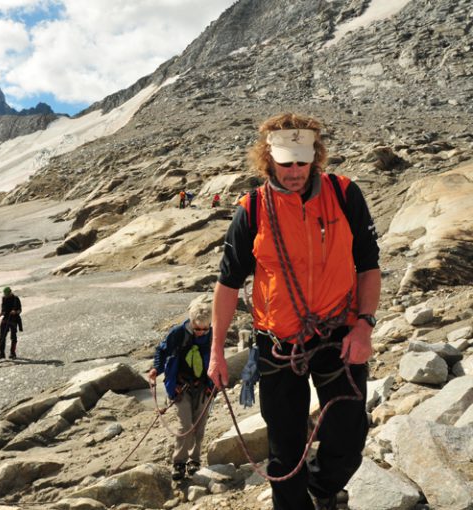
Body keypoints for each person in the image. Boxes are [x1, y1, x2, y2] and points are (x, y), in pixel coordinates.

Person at [207, 113, 380, 510]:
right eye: (286, 163)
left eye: (302, 162)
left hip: (340, 332)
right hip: (278, 345)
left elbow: (368, 265)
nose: (295, 171)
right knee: (285, 449)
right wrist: (218, 350)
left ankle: (323, 489)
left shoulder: (344, 193)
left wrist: (364, 327)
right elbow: (229, 284)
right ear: (268, 161)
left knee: (349, 435)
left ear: (315, 157)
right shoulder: (251, 210)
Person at [148, 302, 214, 481]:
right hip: (180, 386)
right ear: (191, 322)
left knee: (199, 426)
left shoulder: (212, 336)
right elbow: (161, 351)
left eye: (204, 329)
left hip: (203, 387)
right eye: (197, 328)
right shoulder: (178, 333)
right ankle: (179, 462)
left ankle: (194, 460)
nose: (200, 332)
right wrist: (156, 369)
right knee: (185, 425)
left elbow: (217, 358)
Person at [0, 287, 22, 359]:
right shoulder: (4, 299)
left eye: (6, 294)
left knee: (13, 337)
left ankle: (13, 353)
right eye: (5, 294)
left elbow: (20, 310)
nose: (5, 295)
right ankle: (2, 353)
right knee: (1, 337)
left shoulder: (16, 299)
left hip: (14, 319)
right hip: (6, 319)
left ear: (10, 292)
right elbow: (3, 311)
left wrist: (15, 312)